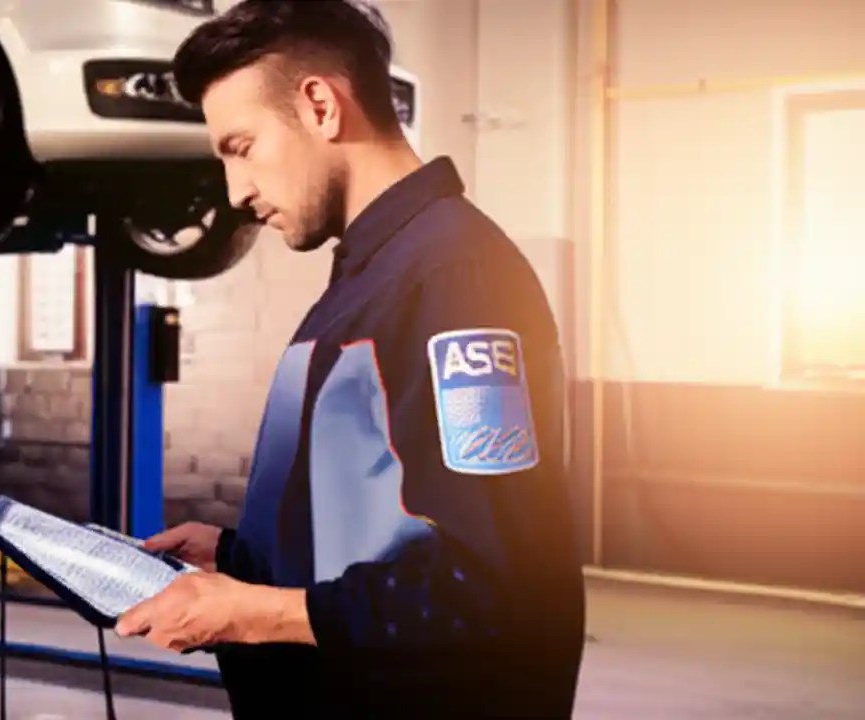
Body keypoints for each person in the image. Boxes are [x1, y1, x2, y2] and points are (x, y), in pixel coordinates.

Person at [114, 1, 587, 717]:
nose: (235, 193)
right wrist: (241, 558)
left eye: (239, 147)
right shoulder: (369, 278)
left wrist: (254, 613)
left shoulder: (454, 279)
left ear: (320, 106)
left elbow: (493, 586)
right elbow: (372, 518)